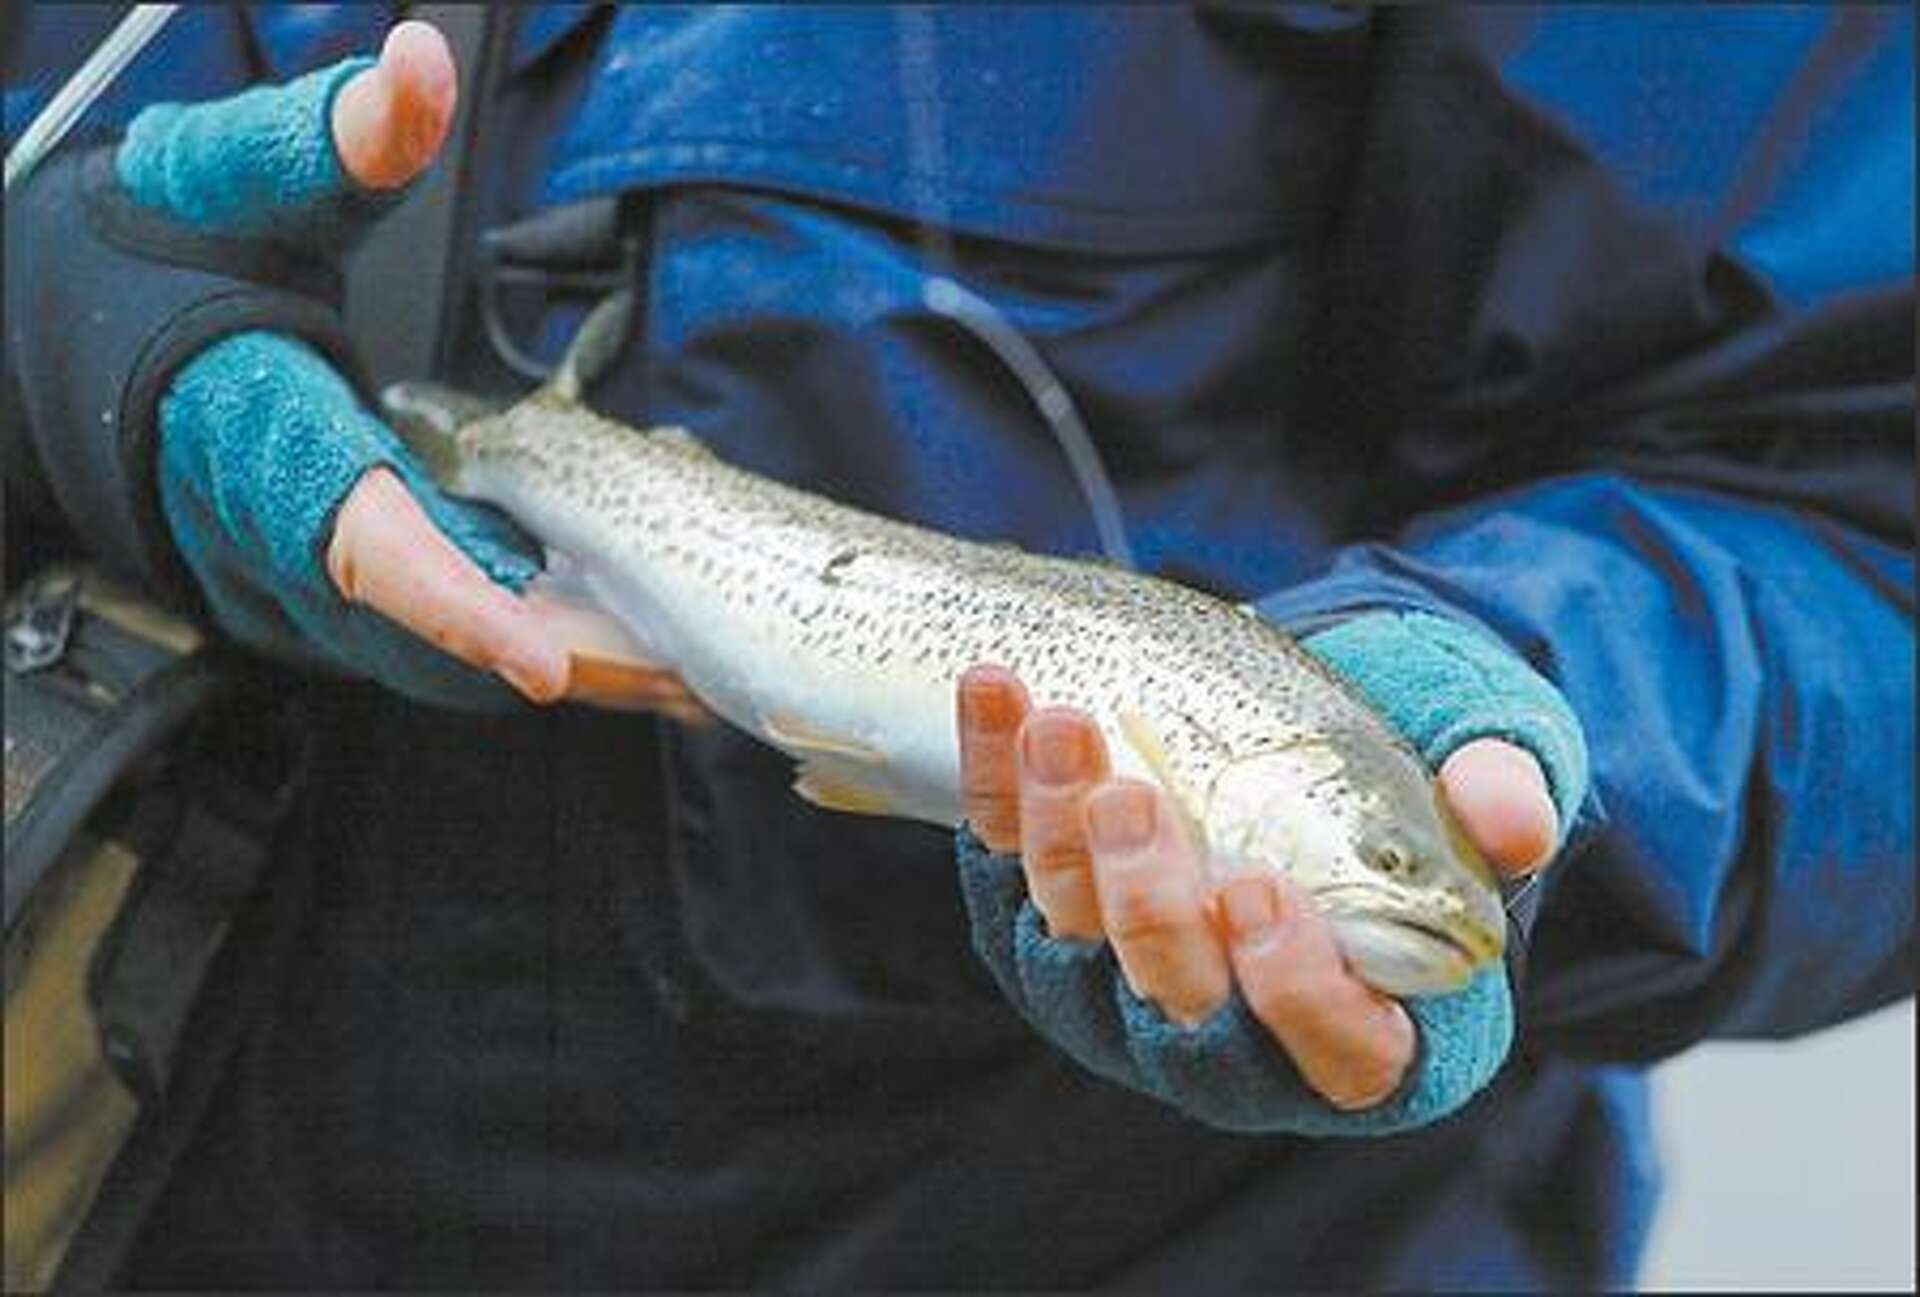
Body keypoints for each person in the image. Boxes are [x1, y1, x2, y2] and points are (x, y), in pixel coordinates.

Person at [5, 5, 1912, 1288]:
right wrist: (59, 339)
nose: (1424, 891)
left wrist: (1528, 705)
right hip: (185, 1180)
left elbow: (1860, 500)